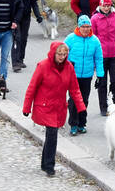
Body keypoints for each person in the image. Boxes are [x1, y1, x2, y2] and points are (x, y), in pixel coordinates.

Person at [23, 42, 87, 177]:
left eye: (64, 54)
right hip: (45, 105)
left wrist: (81, 107)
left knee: (51, 135)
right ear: (53, 53)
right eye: (59, 54)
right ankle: (49, 166)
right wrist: (27, 107)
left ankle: (45, 163)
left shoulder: (69, 67)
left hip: (59, 106)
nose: (62, 57)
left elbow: (74, 89)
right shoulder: (43, 66)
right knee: (52, 134)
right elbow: (32, 87)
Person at [64, 15, 103, 136]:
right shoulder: (70, 39)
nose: (86, 29)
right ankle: (73, 124)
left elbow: (99, 59)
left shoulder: (95, 41)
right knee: (73, 100)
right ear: (79, 27)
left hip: (87, 75)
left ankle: (82, 123)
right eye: (84, 27)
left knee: (84, 99)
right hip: (73, 75)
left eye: (88, 27)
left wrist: (100, 76)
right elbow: (61, 54)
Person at [9, 0, 41, 71]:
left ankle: (21, 59)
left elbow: (34, 1)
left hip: (26, 15)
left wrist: (38, 15)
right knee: (16, 38)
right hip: (14, 16)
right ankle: (15, 63)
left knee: (23, 39)